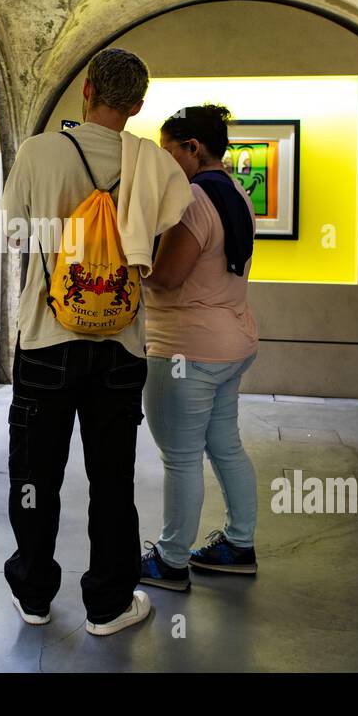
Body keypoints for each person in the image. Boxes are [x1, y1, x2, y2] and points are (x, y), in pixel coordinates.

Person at [0, 48, 190, 636]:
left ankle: (33, 594)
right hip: (122, 346)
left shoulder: (38, 152)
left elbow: (13, 232)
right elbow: (164, 226)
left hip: (46, 336)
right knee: (112, 480)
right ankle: (107, 604)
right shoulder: (155, 164)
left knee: (35, 474)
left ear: (85, 89)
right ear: (136, 106)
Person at [138, 103, 261, 592]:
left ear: (194, 148)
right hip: (233, 342)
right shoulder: (238, 193)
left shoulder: (191, 198)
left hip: (186, 349)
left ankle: (170, 561)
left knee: (181, 458)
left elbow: (168, 279)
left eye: (170, 151)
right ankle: (238, 544)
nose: (166, 162)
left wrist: (128, 268)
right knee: (225, 444)